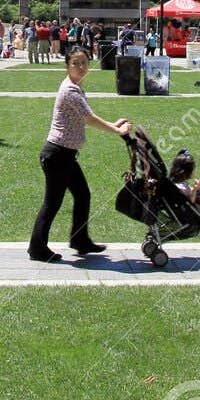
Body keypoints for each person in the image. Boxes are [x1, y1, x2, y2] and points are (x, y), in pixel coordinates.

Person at [28, 49, 131, 263]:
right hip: (58, 155)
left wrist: (114, 125)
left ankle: (80, 240)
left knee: (83, 194)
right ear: (67, 65)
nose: (82, 67)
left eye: (84, 63)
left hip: (65, 155)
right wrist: (116, 130)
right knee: (52, 203)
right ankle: (37, 248)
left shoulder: (76, 87)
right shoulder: (70, 91)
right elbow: (89, 118)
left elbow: (87, 117)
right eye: (76, 63)